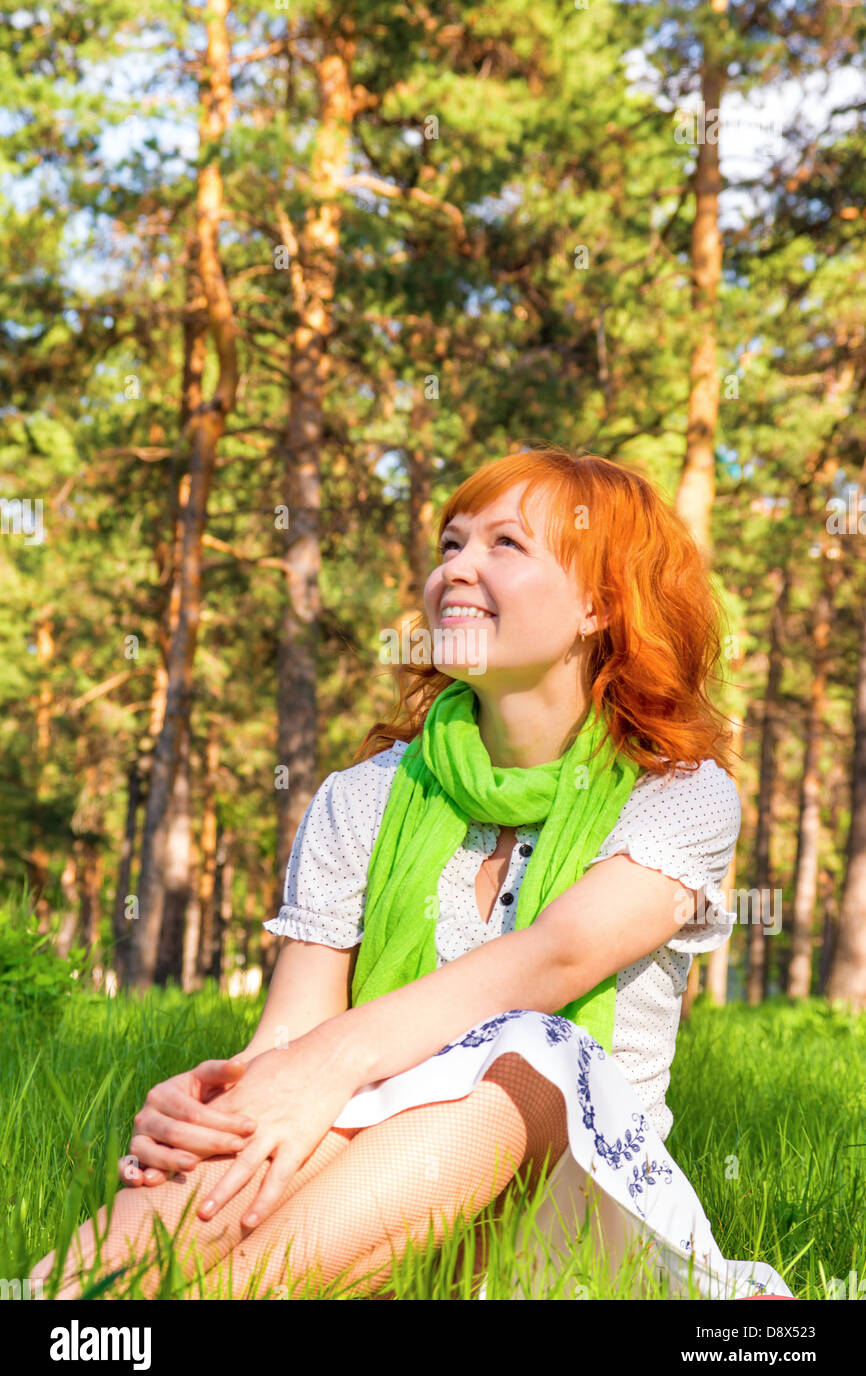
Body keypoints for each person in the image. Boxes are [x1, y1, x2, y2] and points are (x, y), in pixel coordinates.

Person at [31, 446, 794, 1300]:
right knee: (249, 1120)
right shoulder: (365, 796)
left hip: (570, 1229)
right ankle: (60, 1303)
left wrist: (326, 1064)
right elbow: (289, 1038)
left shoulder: (680, 795)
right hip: (375, 1185)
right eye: (449, 545)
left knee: (534, 1050)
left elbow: (553, 959)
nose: (456, 570)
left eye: (506, 545)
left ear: (598, 604)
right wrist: (218, 1102)